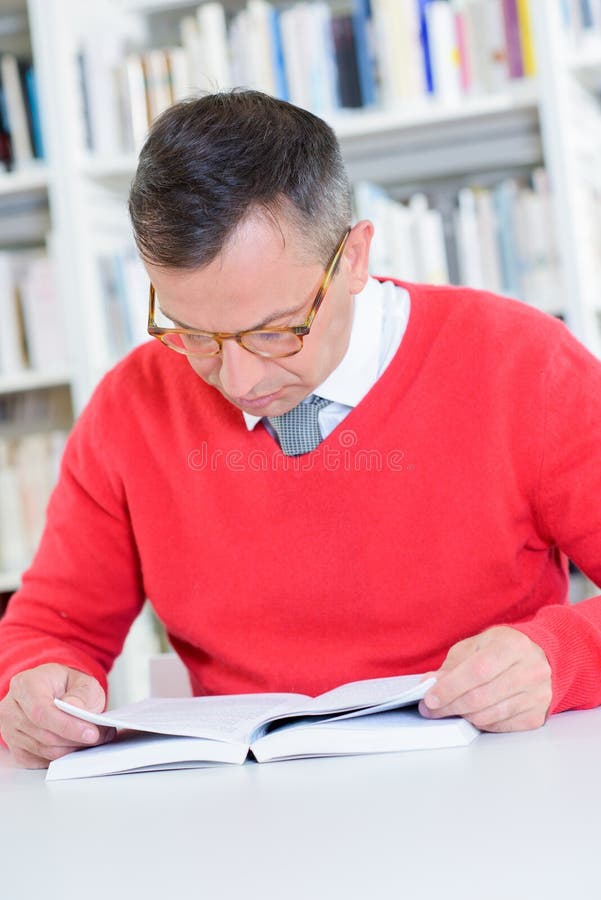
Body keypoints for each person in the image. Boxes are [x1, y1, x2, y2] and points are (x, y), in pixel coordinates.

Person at [1, 90, 601, 769]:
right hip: (247, 815)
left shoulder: (522, 363)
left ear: (351, 260)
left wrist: (560, 658)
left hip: (490, 783)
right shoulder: (131, 406)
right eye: (193, 334)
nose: (239, 380)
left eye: (275, 332)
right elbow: (52, 626)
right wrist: (34, 684)